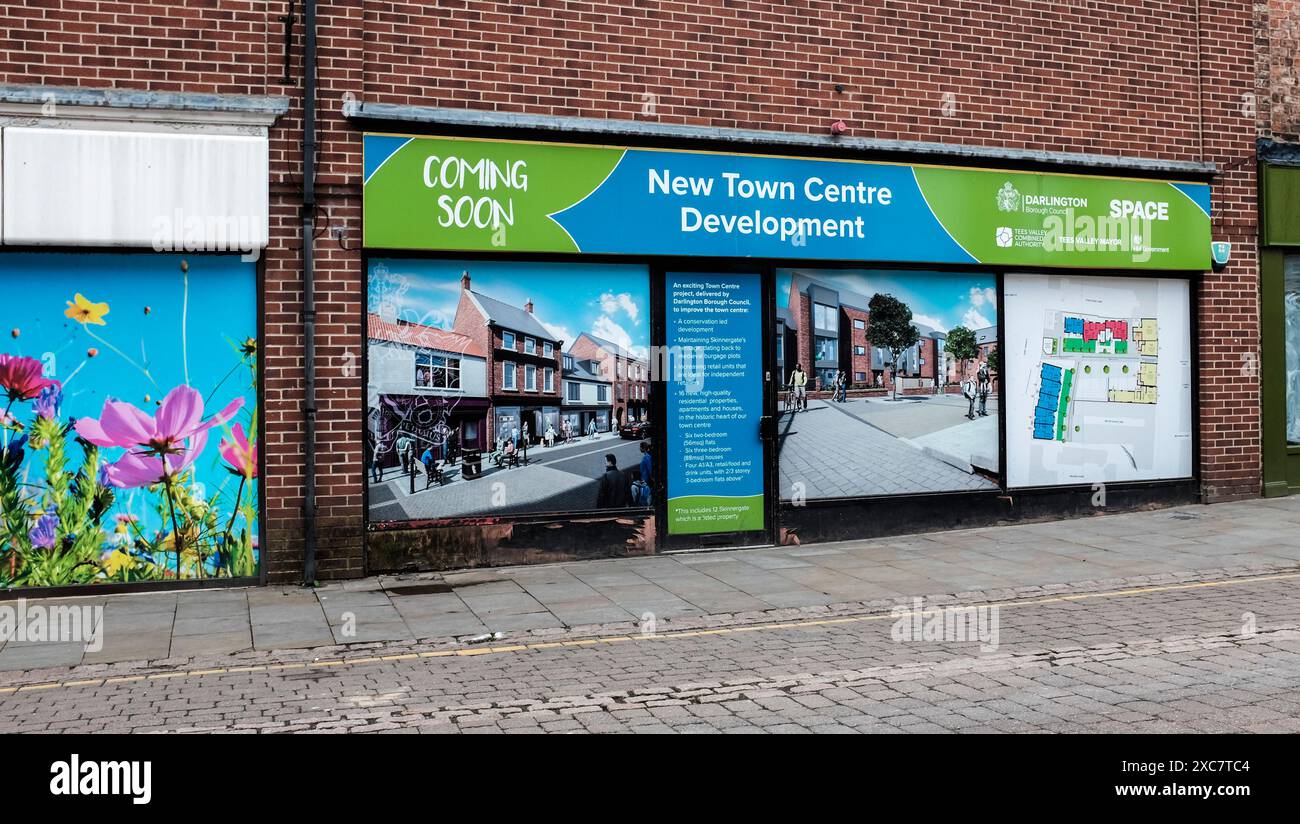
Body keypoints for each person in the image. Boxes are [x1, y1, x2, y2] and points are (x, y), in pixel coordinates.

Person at [633, 439, 653, 507]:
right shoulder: (647, 456)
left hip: (646, 480)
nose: (639, 448)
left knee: (645, 496)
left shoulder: (646, 457)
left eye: (640, 447)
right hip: (646, 479)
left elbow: (650, 469)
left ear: (642, 448)